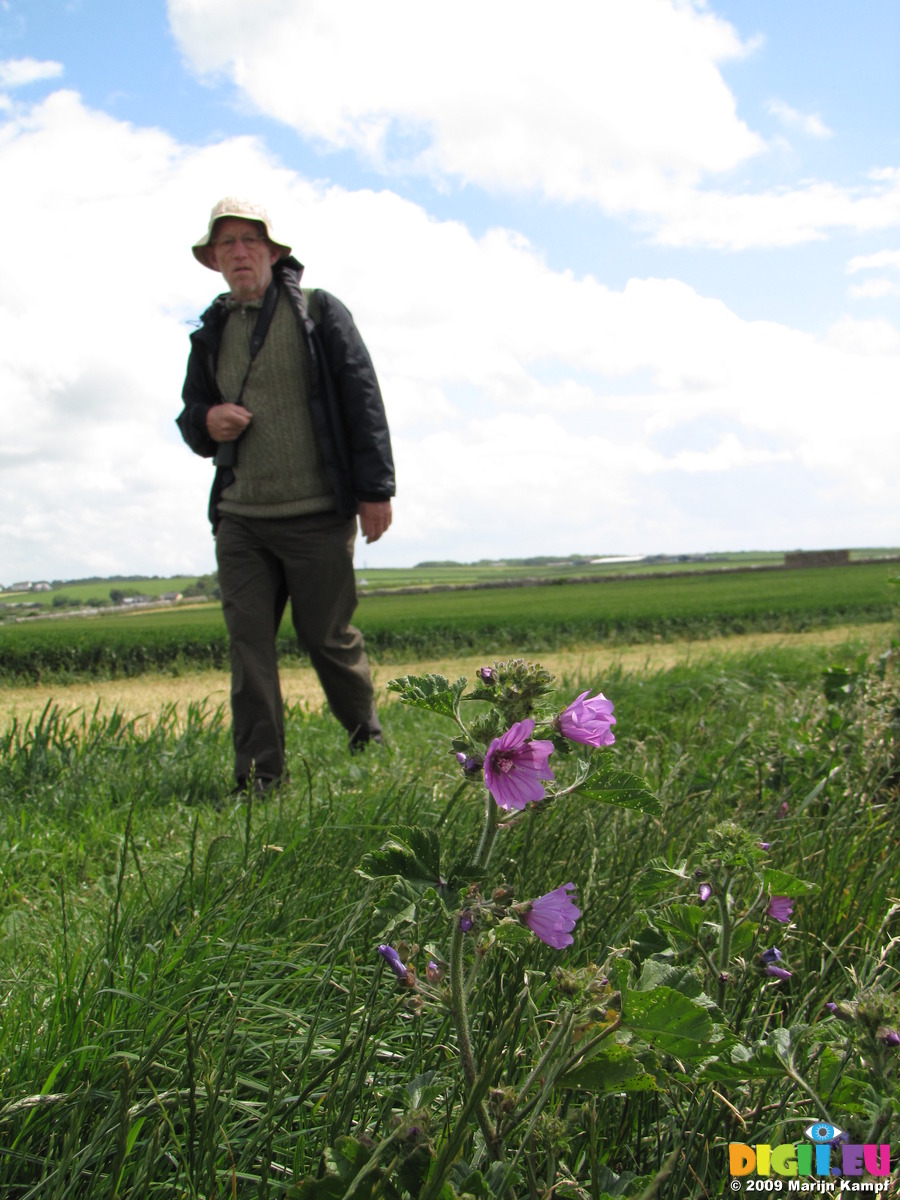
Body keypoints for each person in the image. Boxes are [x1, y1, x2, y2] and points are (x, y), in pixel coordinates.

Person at [177, 197, 395, 793]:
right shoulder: (209, 332)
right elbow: (190, 418)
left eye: (251, 241)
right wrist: (208, 420)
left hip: (317, 513)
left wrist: (376, 489)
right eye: (228, 245)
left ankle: (366, 737)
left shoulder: (319, 314)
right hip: (240, 517)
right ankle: (259, 779)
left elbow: (362, 397)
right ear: (214, 260)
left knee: (328, 637)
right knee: (250, 651)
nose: (240, 252)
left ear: (274, 252)